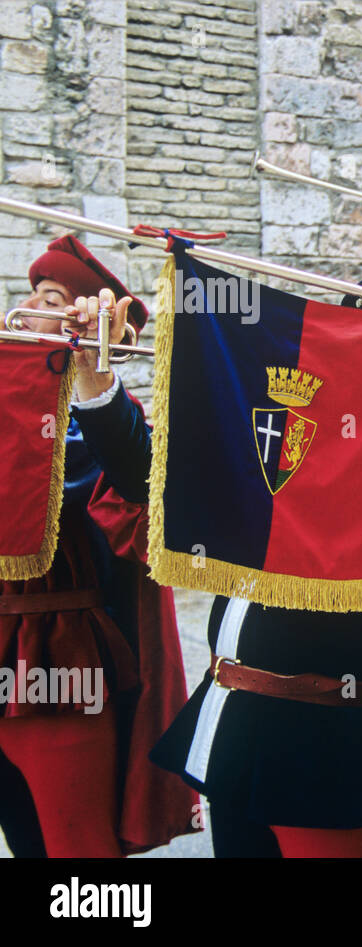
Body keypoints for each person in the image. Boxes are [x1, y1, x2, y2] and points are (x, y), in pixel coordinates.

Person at [76, 253, 362, 858]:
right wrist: (97, 384)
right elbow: (162, 490)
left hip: (325, 741)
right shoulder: (284, 442)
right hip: (232, 724)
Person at [0, 235, 196, 857]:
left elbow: (136, 481)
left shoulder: (104, 414)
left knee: (78, 855)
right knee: (25, 842)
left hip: (58, 662)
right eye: (31, 293)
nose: (26, 306)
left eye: (50, 296)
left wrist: (92, 371)